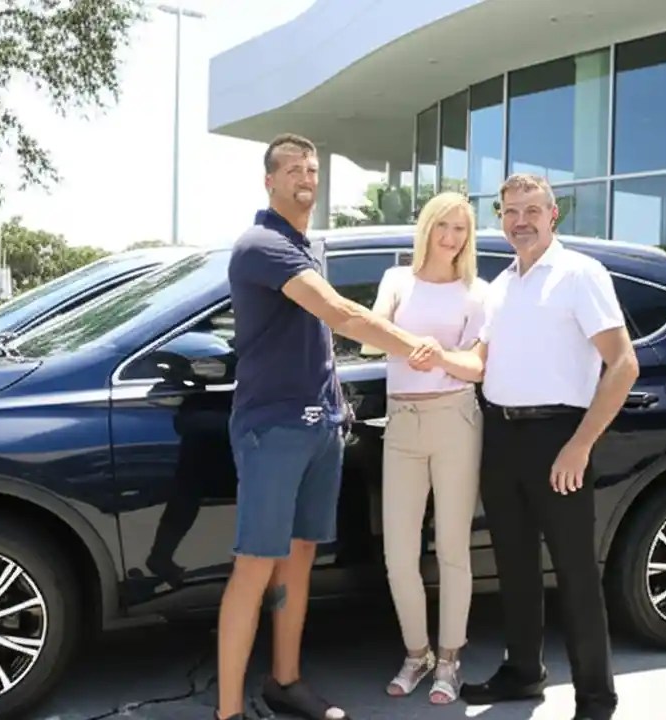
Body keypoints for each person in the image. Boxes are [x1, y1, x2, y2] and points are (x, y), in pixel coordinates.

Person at [215, 133, 442, 720]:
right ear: (269, 181)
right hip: (273, 428)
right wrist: (413, 343)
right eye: (292, 169)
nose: (305, 177)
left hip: (321, 426)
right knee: (254, 566)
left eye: (312, 168)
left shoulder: (309, 243)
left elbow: (314, 338)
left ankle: (285, 682)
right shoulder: (261, 245)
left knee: (298, 558)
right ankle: (227, 712)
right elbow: (337, 313)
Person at [414, 173, 639, 720]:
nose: (521, 222)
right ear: (500, 217)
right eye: (511, 212)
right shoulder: (502, 285)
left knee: (575, 573)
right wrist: (438, 356)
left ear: (553, 213)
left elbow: (623, 364)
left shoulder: (580, 274)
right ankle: (523, 672)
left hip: (559, 437)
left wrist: (579, 445)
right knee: (514, 565)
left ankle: (595, 697)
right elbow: (479, 363)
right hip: (502, 435)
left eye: (532, 211)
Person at [365, 191, 487, 705]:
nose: (452, 238)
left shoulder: (477, 292)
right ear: (427, 228)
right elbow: (371, 338)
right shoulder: (397, 280)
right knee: (399, 554)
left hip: (456, 418)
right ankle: (417, 654)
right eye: (444, 226)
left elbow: (477, 366)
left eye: (461, 229)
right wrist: (409, 346)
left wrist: (439, 355)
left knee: (453, 548)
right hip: (403, 423)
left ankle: (450, 660)